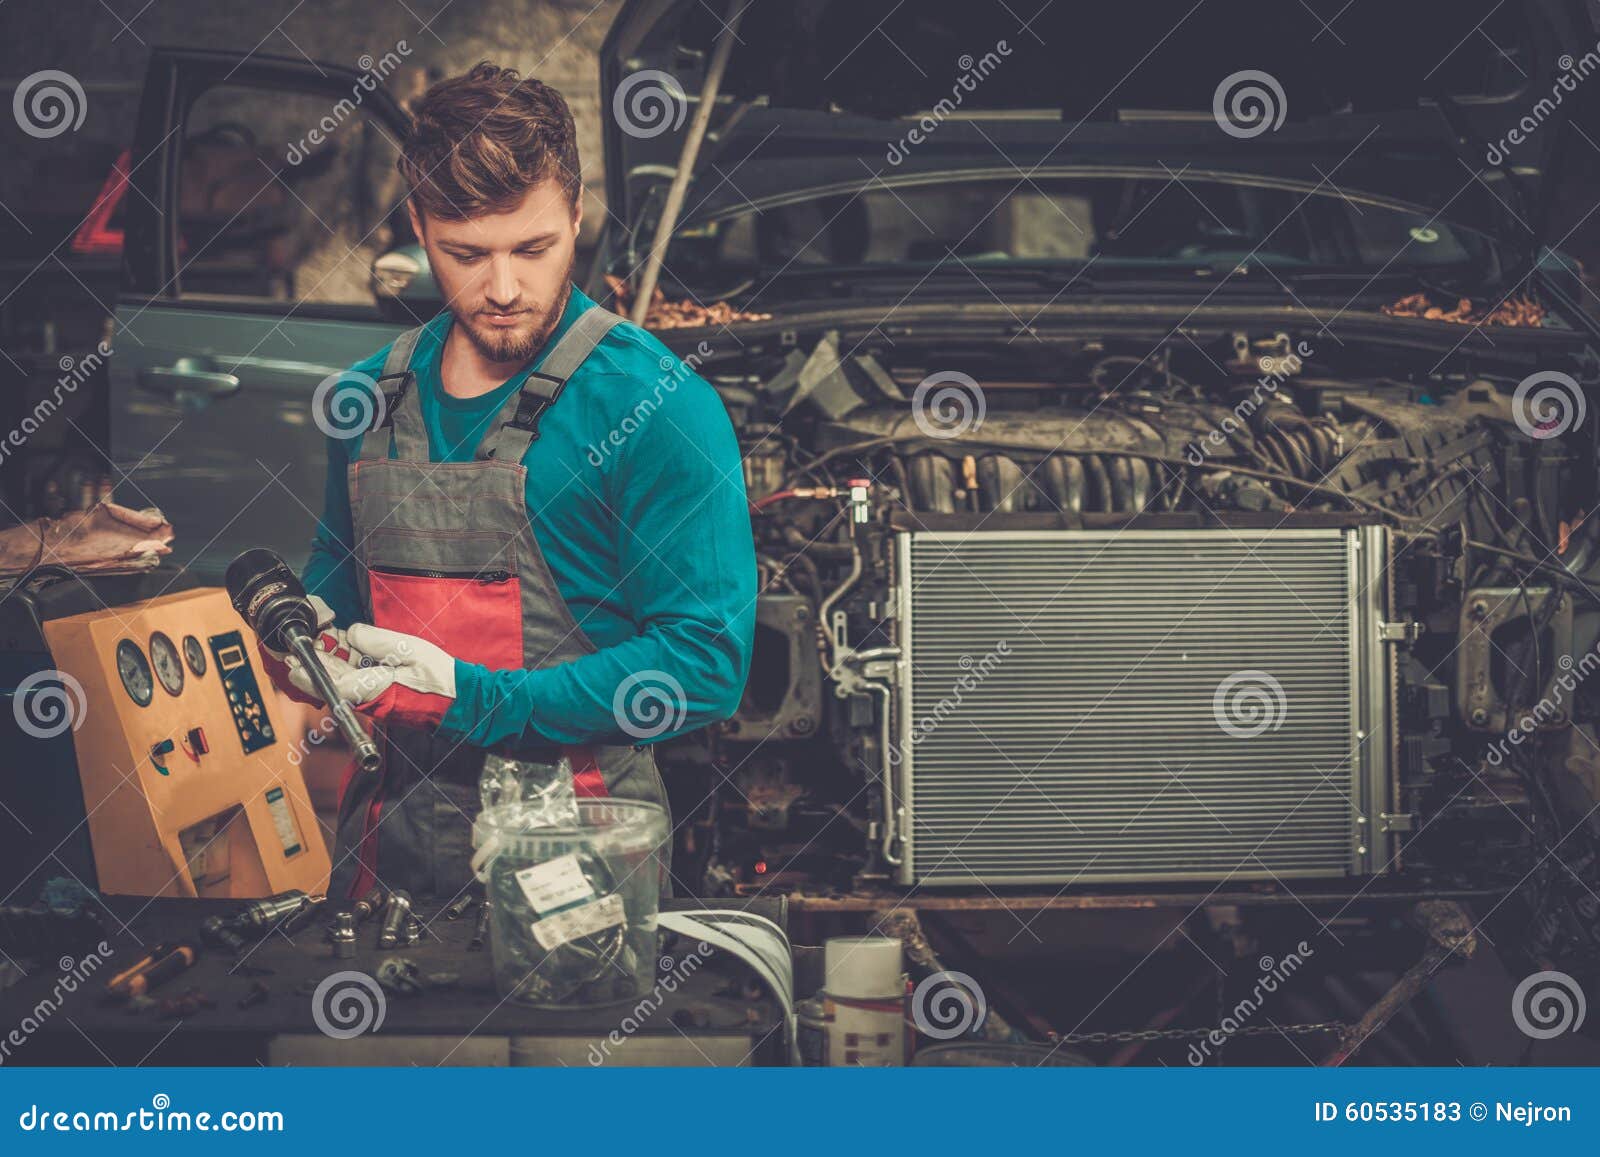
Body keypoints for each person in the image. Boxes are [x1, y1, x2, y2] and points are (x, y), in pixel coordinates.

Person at [275, 62, 755, 902]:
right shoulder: (367, 397)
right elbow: (339, 567)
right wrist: (311, 630)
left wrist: (475, 699)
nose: (503, 289)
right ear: (419, 226)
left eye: (533, 248)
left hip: (581, 869)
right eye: (467, 254)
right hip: (387, 858)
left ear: (576, 215)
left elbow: (704, 660)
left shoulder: (654, 405)